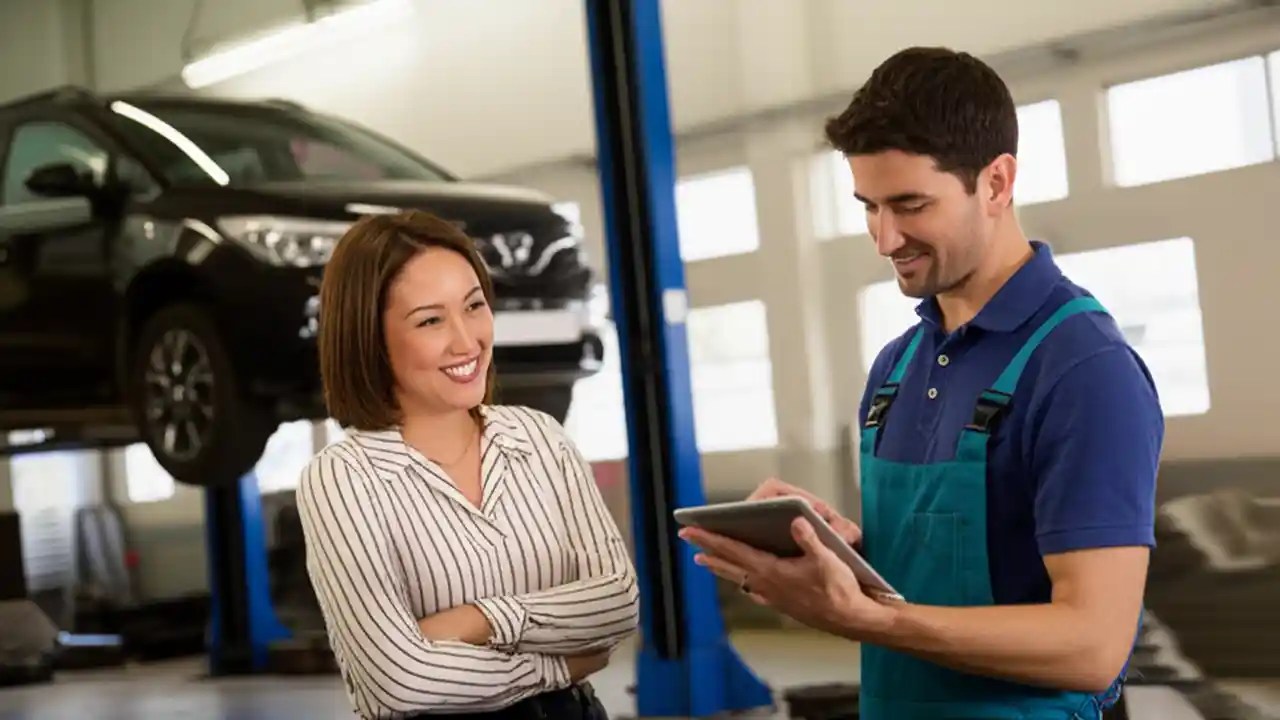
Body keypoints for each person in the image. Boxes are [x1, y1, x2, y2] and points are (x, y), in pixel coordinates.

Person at [679, 46, 1162, 719]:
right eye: (868, 206)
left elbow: (1092, 645)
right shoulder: (896, 367)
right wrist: (840, 555)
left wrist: (868, 619)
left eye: (909, 205)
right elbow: (956, 573)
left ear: (996, 183)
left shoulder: (1084, 369)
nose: (884, 238)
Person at [296, 210, 639, 719]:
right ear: (370, 337)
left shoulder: (540, 438)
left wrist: (480, 619)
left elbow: (617, 602)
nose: (467, 340)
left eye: (474, 306)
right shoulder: (344, 478)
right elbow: (398, 681)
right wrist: (555, 667)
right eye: (431, 320)